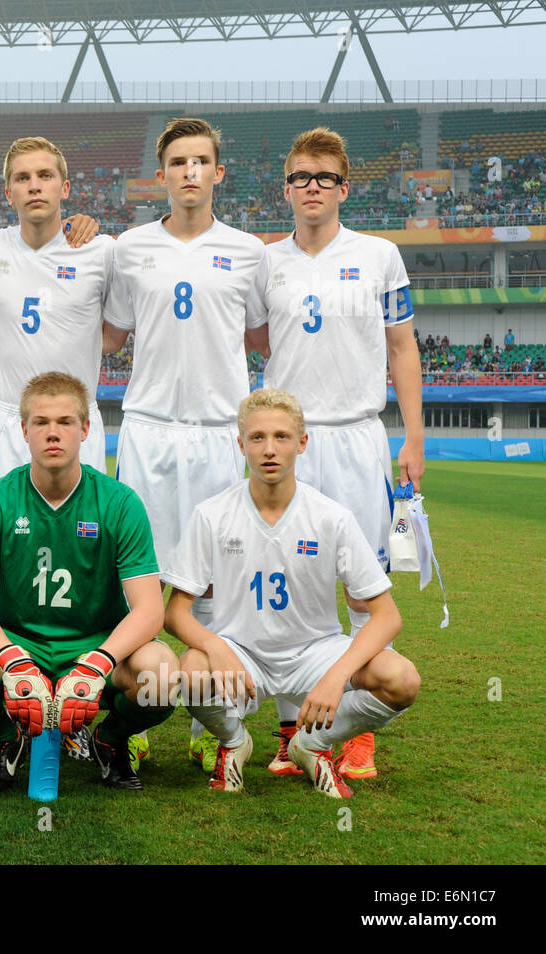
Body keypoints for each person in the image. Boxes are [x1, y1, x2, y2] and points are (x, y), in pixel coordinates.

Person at [247, 127, 424, 780]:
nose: (311, 186)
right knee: (293, 588)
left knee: (359, 589)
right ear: (286, 189)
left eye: (323, 177)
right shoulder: (267, 262)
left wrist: (413, 436)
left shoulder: (379, 255)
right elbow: (260, 336)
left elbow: (403, 348)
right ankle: (294, 731)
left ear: (344, 188)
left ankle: (356, 734)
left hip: (355, 438)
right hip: (288, 441)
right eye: (300, 177)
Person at [103, 117, 267, 775]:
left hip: (218, 437)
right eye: (179, 162)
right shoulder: (129, 248)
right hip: (146, 429)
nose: (190, 172)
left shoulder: (251, 252)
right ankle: (133, 722)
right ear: (163, 174)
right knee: (132, 585)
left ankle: (212, 723)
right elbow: (108, 337)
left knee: (211, 593)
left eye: (202, 161)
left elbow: (262, 340)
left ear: (218, 172)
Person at [162, 389, 420, 798]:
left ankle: (311, 744)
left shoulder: (331, 517)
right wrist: (217, 646)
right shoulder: (211, 515)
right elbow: (175, 613)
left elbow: (387, 616)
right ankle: (234, 741)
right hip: (242, 655)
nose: (269, 449)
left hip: (316, 653)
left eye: (282, 437)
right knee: (192, 670)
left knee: (402, 679)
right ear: (240, 442)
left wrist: (336, 677)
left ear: (302, 443)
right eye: (257, 437)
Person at [0, 372, 176, 793]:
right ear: (23, 430)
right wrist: (11, 659)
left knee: (163, 675)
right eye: (41, 422)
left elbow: (149, 608)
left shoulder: (120, 502)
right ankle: (6, 740)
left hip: (96, 644)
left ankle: (110, 741)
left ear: (85, 429)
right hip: (19, 642)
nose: (53, 433)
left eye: (65, 422)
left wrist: (99, 663)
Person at [0, 137, 113, 484]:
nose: (34, 186)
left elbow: (116, 335)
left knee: (86, 537)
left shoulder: (101, 252)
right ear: (9, 192)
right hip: (11, 424)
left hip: (78, 422)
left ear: (65, 187)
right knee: (5, 537)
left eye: (45, 175)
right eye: (22, 178)